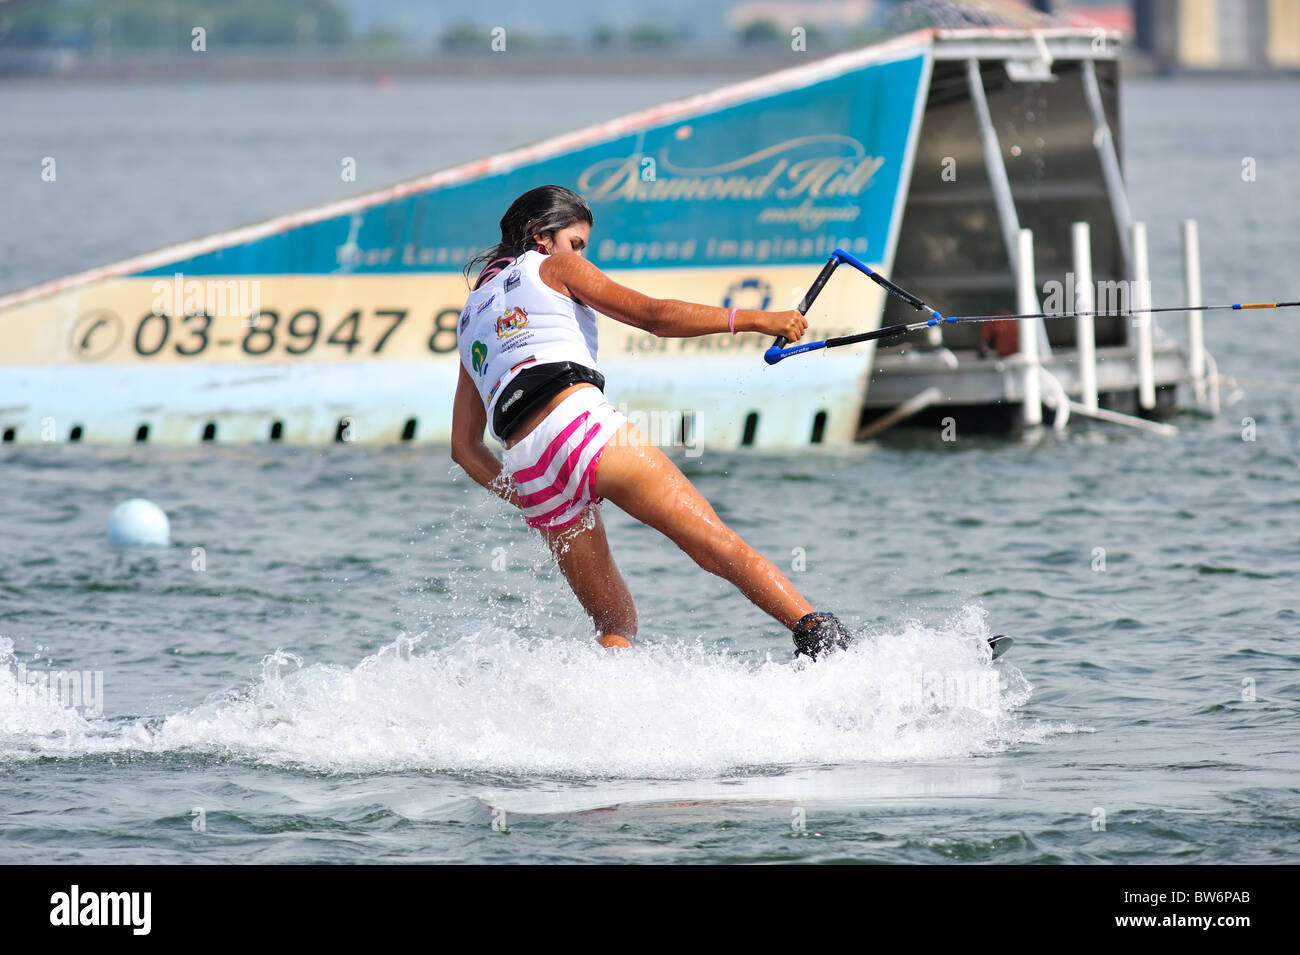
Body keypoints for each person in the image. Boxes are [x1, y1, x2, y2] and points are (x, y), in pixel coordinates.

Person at [450, 185, 851, 660]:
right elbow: (655, 317)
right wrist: (761, 320)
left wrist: (525, 495)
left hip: (528, 464)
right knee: (713, 544)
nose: (579, 254)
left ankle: (608, 710)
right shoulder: (553, 266)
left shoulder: (469, 317)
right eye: (576, 243)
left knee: (614, 622)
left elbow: (465, 449)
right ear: (541, 237)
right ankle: (822, 639)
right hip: (580, 426)